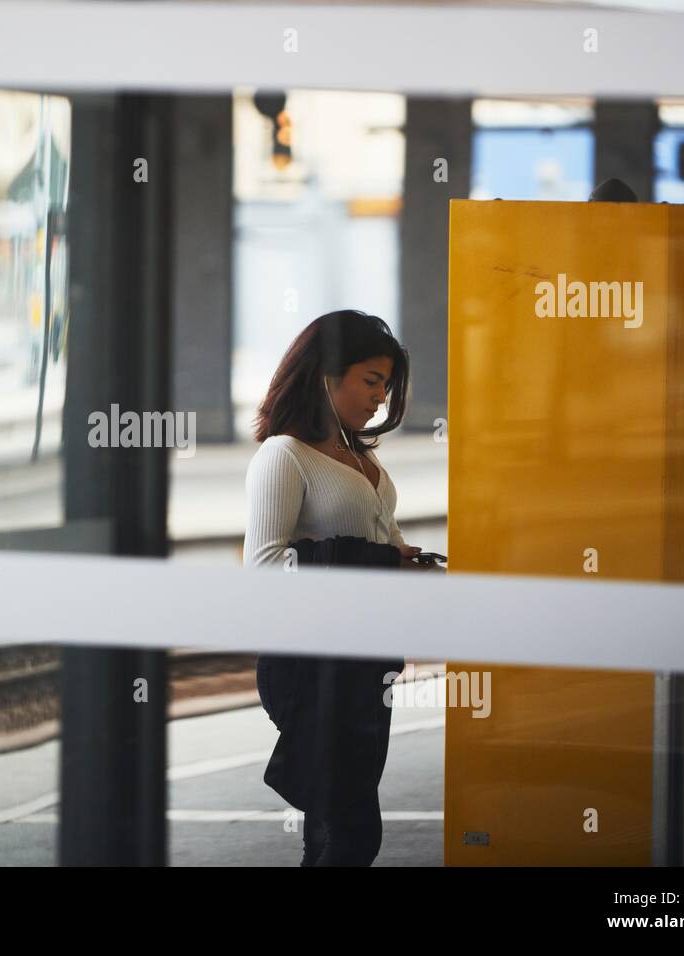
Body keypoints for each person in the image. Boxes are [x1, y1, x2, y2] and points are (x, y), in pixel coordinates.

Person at [243, 309, 440, 866]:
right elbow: (263, 570)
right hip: (312, 664)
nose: (380, 398)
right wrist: (375, 562)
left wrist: (421, 570)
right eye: (371, 381)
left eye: (387, 385)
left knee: (332, 832)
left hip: (365, 660)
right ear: (326, 375)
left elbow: (386, 542)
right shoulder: (283, 456)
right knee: (352, 833)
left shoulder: (360, 455)